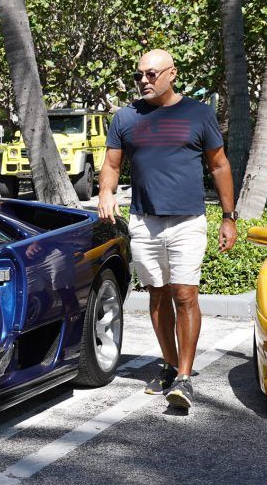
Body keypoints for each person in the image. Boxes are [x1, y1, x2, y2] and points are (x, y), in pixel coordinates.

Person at [97, 49, 237, 412]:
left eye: (152, 74)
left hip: (188, 221)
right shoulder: (126, 117)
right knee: (158, 296)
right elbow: (112, 164)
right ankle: (170, 364)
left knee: (185, 295)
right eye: (139, 75)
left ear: (172, 74)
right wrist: (105, 192)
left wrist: (228, 216)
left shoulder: (198, 113)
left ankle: (185, 379)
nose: (144, 80)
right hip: (144, 221)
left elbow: (219, 166)